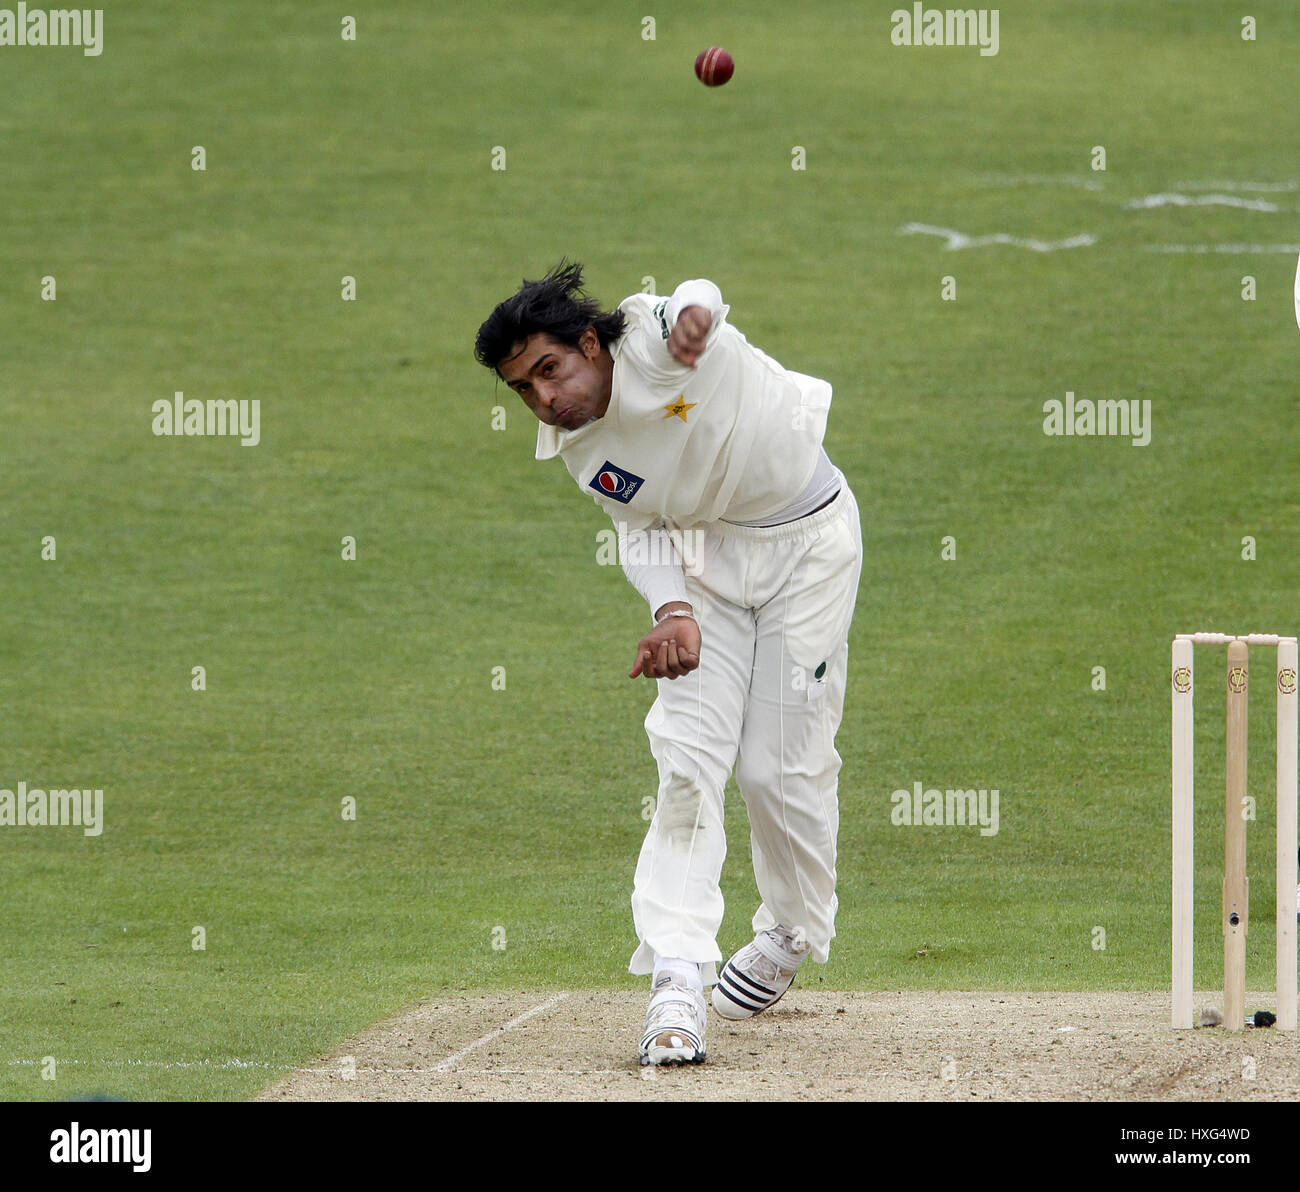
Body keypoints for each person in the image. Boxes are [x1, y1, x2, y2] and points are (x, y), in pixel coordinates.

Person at [474, 261, 863, 1066]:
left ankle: (791, 928)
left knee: (774, 771)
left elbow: (698, 295)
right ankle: (677, 979)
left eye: (550, 369)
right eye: (522, 388)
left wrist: (694, 320)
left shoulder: (651, 337)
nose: (544, 398)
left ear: (589, 342)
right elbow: (640, 529)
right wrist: (672, 611)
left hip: (810, 547)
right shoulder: (579, 447)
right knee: (688, 763)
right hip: (703, 567)